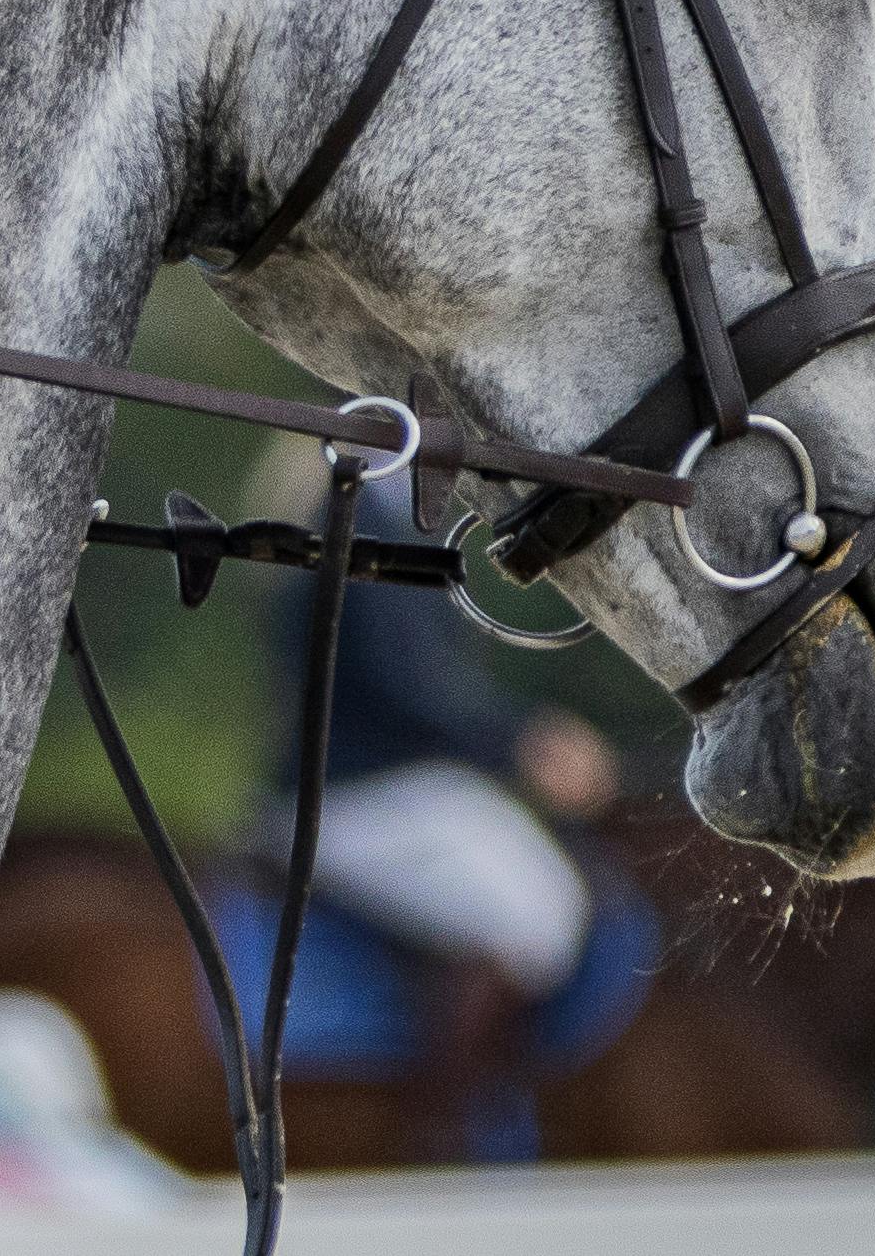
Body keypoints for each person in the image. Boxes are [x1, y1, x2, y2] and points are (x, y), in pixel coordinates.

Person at [245, 468, 648, 1158]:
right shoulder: (353, 528)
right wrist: (523, 742)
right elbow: (409, 689)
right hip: (366, 795)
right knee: (536, 919)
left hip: (390, 787)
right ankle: (450, 1127)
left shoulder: (376, 518)